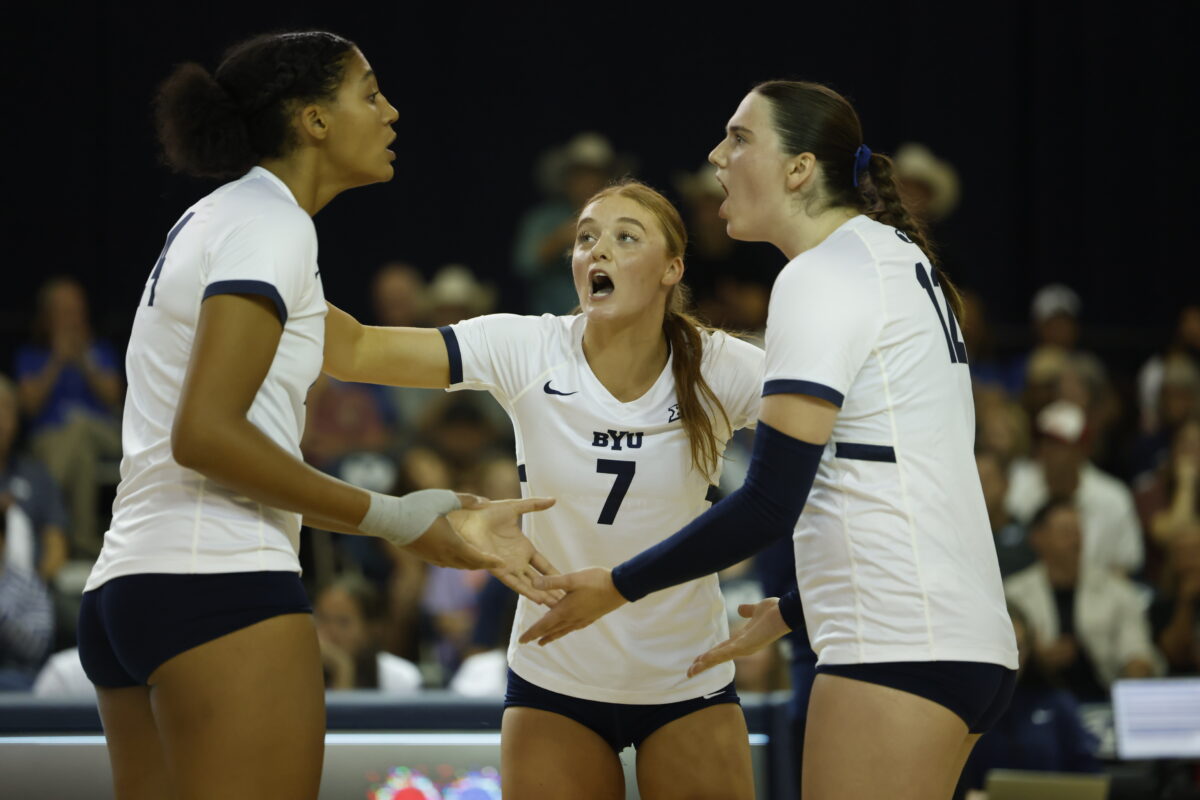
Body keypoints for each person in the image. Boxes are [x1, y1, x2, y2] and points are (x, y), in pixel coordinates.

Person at [75, 31, 555, 800]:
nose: (391, 111)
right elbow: (206, 435)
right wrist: (395, 518)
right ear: (314, 121)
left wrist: (543, 356)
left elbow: (355, 346)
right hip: (216, 586)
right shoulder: (274, 226)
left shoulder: (222, 218)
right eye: (370, 92)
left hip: (130, 592)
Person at [520, 80, 1020, 800]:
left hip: (894, 641)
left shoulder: (819, 276)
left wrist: (618, 586)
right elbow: (894, 463)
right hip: (960, 638)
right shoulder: (893, 260)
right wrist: (791, 608)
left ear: (799, 169)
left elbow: (768, 503)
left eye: (740, 138)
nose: (717, 156)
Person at [322, 179, 765, 798]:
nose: (597, 250)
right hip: (555, 679)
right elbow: (354, 350)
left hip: (684, 677)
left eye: (624, 237)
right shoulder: (529, 347)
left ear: (672, 269)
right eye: (586, 237)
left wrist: (799, 604)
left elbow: (839, 440)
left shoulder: (722, 366)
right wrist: (269, 258)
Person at [1004, 499, 1162, 700]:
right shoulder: (1014, 593)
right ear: (1038, 538)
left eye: (1078, 532)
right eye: (1065, 532)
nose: (1075, 541)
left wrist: (1136, 671)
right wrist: (1035, 658)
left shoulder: (1118, 591)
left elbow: (1136, 649)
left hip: (1103, 698)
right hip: (1032, 701)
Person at [15, 277, 124, 557]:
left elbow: (114, 397)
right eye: (64, 312)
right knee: (81, 453)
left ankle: (39, 504)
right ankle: (84, 542)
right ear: (47, 316)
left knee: (81, 429)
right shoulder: (32, 355)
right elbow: (28, 407)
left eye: (77, 311)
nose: (73, 319)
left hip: (104, 435)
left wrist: (83, 361)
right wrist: (57, 360)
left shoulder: (99, 351)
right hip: (50, 440)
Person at [956, 606, 1102, 795]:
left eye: (1019, 647)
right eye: (1002, 646)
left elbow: (1090, 778)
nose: (1012, 658)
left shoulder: (1057, 703)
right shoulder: (958, 709)